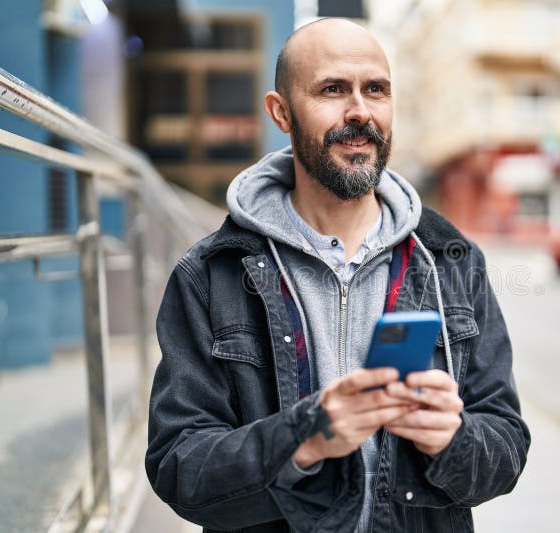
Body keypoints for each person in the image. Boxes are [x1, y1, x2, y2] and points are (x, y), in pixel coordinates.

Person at [145, 18, 529, 533]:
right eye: (332, 89)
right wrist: (304, 438)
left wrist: (454, 442)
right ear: (282, 113)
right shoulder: (209, 275)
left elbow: (506, 443)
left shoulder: (452, 262)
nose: (360, 112)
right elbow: (178, 466)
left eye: (376, 89)